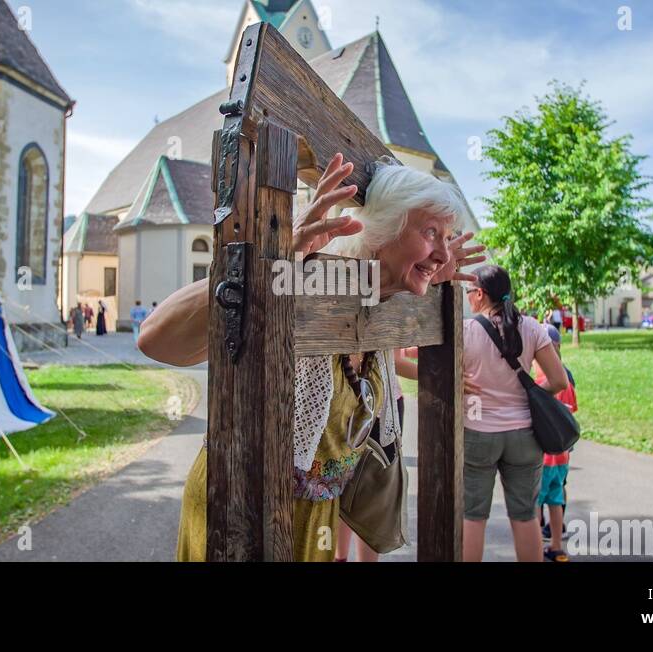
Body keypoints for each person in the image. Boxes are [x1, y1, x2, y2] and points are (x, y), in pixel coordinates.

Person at [138, 153, 485, 562]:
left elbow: (385, 287)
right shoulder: (305, 279)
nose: (444, 252)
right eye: (431, 232)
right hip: (242, 508)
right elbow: (155, 339)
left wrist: (428, 272)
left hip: (316, 518)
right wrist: (269, 260)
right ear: (385, 225)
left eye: (447, 237)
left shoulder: (379, 300)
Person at [462, 265, 569, 562]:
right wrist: (532, 396)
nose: (468, 298)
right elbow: (559, 381)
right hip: (525, 434)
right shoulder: (533, 327)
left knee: (473, 516)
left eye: (469, 292)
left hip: (478, 432)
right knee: (524, 516)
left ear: (480, 294)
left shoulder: (467, 331)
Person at [334, 347, 413, 563]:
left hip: (364, 399)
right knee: (368, 489)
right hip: (373, 400)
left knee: (346, 488)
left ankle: (339, 557)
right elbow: (397, 358)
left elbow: (399, 354)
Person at [533, 324, 577, 562]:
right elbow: (573, 410)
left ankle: (537, 544)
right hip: (563, 455)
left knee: (536, 502)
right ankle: (557, 545)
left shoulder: (541, 384)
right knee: (556, 499)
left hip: (544, 455)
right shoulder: (567, 381)